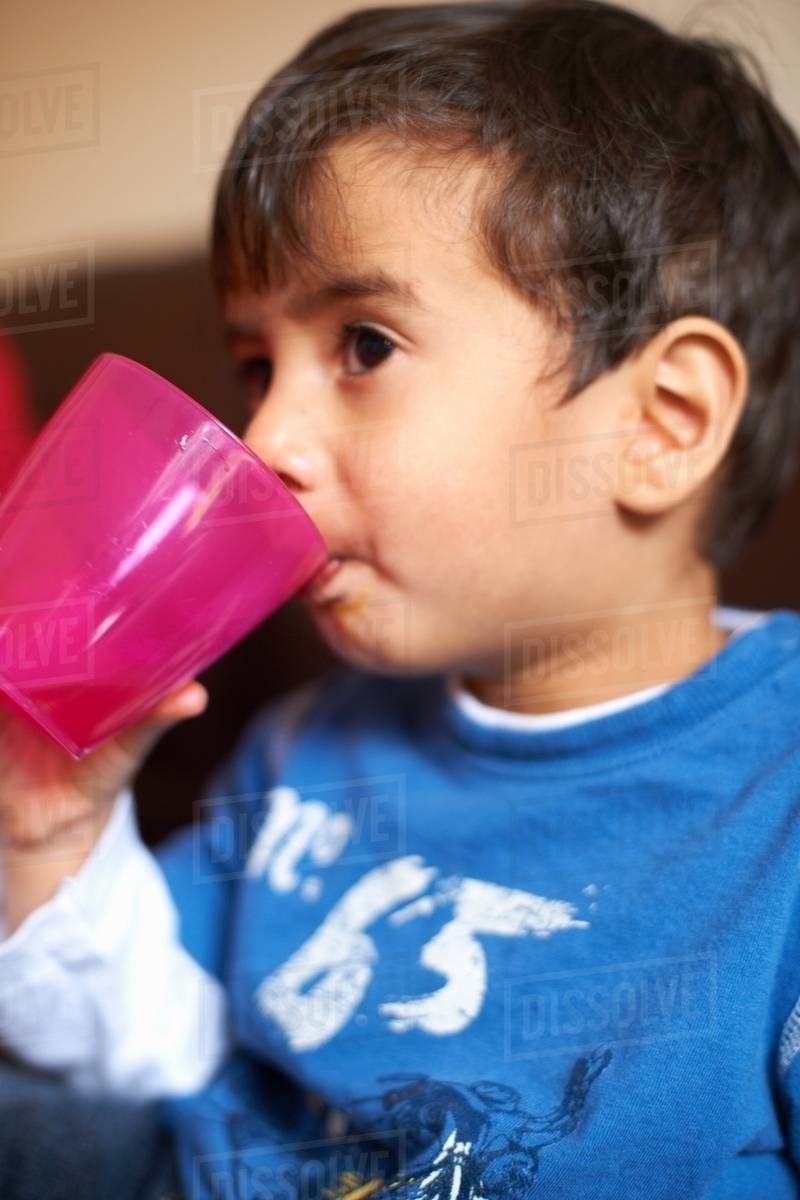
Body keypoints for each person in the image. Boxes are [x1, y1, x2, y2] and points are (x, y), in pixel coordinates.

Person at [2, 1, 800, 1196]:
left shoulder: (771, 797)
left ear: (659, 424)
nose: (260, 438)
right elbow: (159, 1061)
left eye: (363, 345)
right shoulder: (303, 749)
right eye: (255, 367)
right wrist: (50, 836)